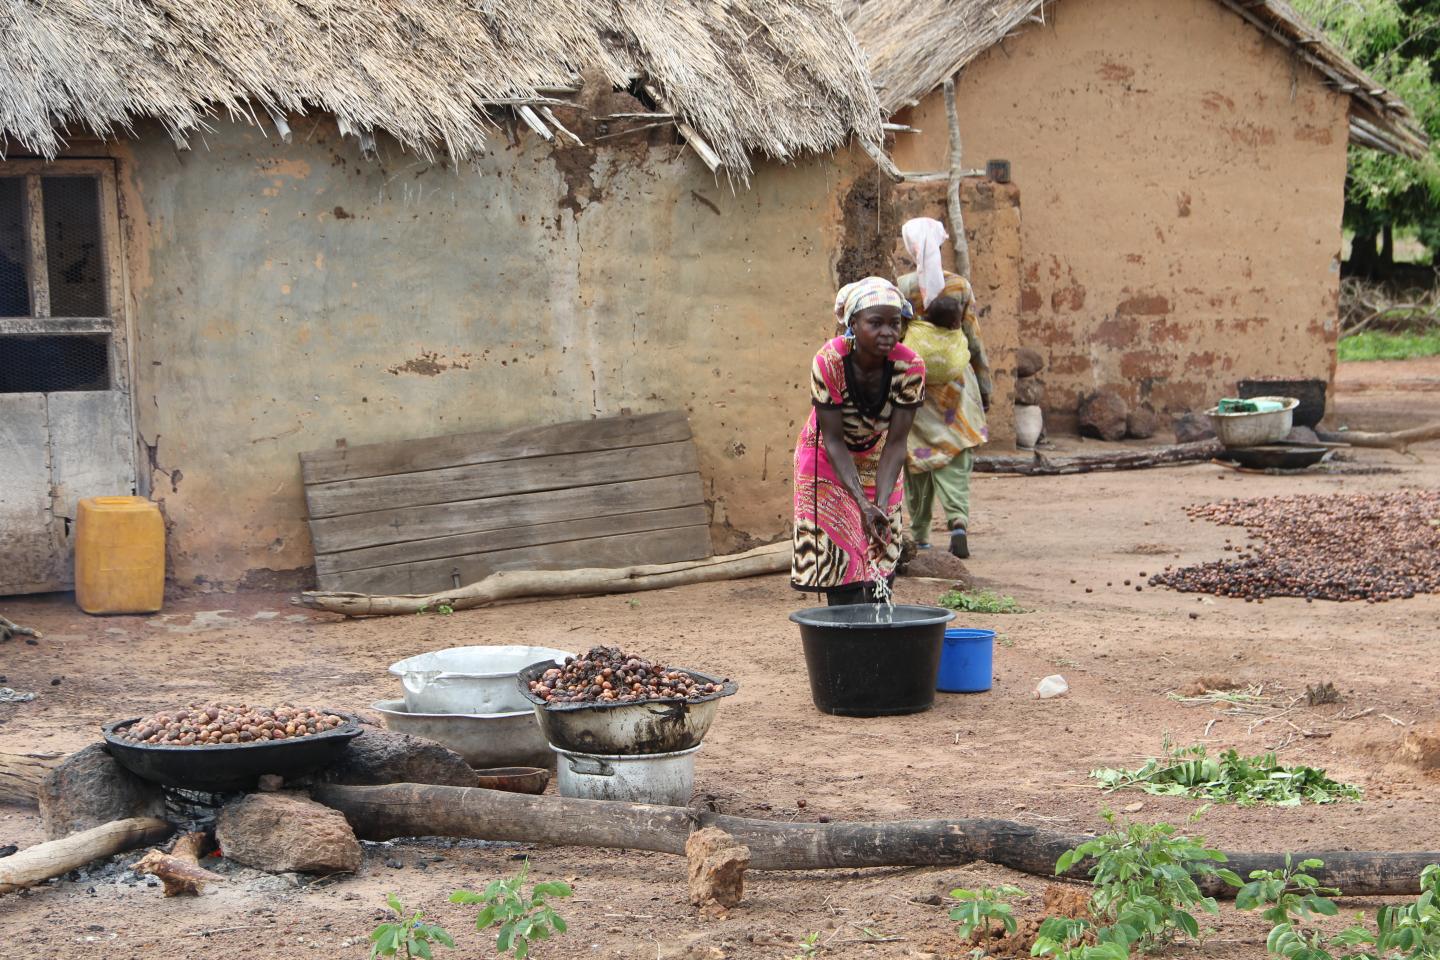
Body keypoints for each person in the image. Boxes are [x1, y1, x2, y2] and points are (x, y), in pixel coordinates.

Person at [792, 277, 925, 605]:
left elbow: (896, 444)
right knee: (841, 563)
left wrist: (877, 506)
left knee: (882, 552)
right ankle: (844, 638)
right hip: (825, 454)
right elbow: (834, 440)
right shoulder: (830, 361)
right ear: (853, 323)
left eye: (895, 324)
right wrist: (861, 505)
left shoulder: (910, 367)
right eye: (875, 323)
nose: (887, 332)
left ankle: (877, 644)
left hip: (879, 454)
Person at [896, 217, 992, 558]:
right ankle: (958, 522)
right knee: (955, 454)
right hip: (955, 386)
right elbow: (974, 340)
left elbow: (894, 337)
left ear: (911, 248)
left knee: (917, 458)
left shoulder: (903, 287)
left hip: (917, 390)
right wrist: (985, 385)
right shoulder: (961, 287)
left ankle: (920, 534)